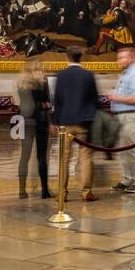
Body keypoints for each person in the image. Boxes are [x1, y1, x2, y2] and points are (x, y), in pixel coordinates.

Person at [52, 45, 100, 201]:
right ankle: (86, 192)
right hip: (84, 121)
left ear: (67, 57)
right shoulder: (88, 75)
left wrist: (55, 121)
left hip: (65, 121)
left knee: (64, 159)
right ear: (81, 57)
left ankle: (62, 193)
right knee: (86, 157)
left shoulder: (61, 75)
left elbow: (57, 101)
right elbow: (94, 99)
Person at [109, 45, 135, 193]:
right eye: (118, 57)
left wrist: (116, 97)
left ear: (132, 58)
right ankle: (128, 178)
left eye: (122, 57)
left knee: (133, 149)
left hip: (132, 115)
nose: (118, 60)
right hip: (123, 115)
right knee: (124, 150)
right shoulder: (126, 73)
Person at [16, 58, 53, 199]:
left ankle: (21, 190)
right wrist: (46, 104)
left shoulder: (21, 83)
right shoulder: (42, 83)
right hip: (40, 120)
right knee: (42, 157)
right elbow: (47, 103)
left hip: (25, 120)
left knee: (24, 157)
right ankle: (45, 190)